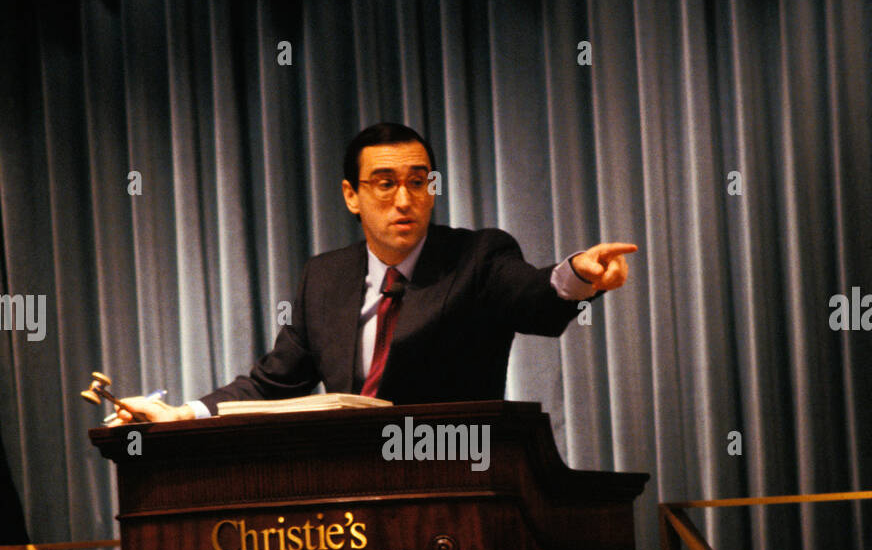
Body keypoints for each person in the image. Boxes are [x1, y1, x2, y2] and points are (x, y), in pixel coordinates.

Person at [108, 122, 635, 422]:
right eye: (384, 183)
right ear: (352, 196)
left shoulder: (478, 257)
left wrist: (577, 276)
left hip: (453, 478)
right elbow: (272, 383)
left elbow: (533, 299)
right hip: (349, 489)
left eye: (418, 181)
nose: (404, 199)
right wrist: (182, 414)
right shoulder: (325, 278)